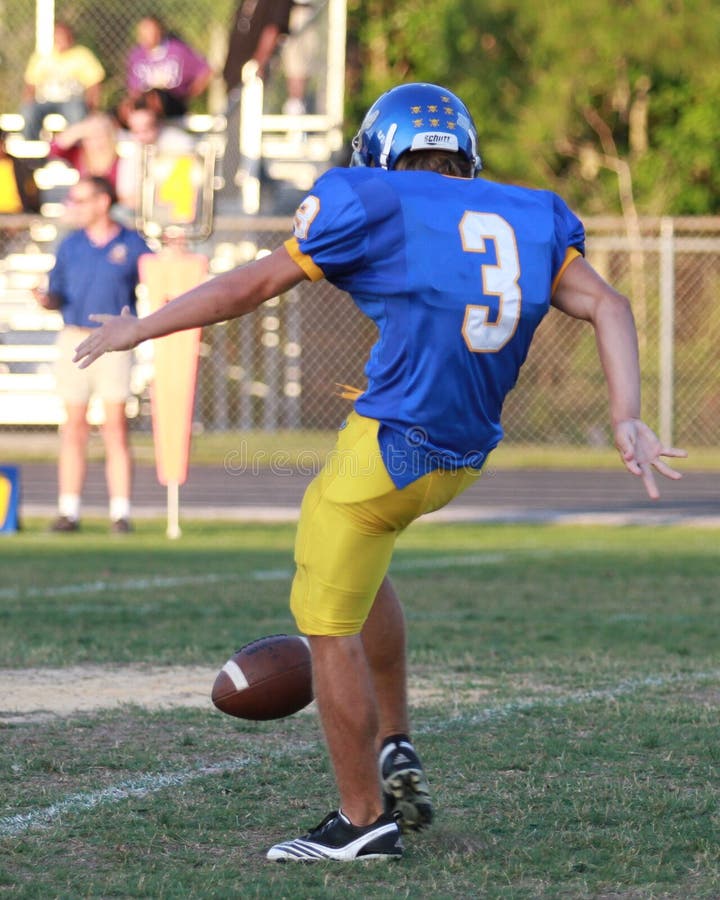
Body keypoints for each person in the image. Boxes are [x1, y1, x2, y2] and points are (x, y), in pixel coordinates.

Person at [74, 83, 687, 859]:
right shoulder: (532, 212)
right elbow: (611, 306)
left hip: (391, 443)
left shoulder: (368, 195)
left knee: (326, 621)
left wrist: (142, 327)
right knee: (363, 561)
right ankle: (395, 738)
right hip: (461, 454)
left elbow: (252, 285)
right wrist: (627, 414)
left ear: (380, 149)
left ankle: (363, 821)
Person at [36, 175, 151, 534]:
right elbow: (55, 295)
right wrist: (43, 298)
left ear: (102, 202)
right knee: (74, 426)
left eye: (80, 200)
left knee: (115, 426)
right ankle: (68, 510)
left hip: (114, 341)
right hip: (74, 337)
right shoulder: (70, 246)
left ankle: (121, 513)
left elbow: (158, 278)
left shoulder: (131, 243)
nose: (74, 207)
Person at [121, 16, 213, 125]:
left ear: (159, 30)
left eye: (150, 31)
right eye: (143, 32)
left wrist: (191, 93)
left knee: (158, 95)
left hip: (174, 104)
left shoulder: (177, 50)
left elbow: (205, 70)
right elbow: (134, 90)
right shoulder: (136, 56)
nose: (146, 36)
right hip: (147, 111)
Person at [21, 21, 105, 140]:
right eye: (58, 36)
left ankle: (75, 147)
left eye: (64, 36)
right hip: (45, 102)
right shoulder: (42, 56)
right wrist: (28, 102)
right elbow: (30, 85)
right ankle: (30, 149)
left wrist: (92, 107)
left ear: (71, 38)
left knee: (76, 111)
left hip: (73, 101)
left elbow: (94, 85)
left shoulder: (82, 55)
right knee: (29, 111)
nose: (61, 39)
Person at [115, 97, 196, 215]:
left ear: (159, 124)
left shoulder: (181, 143)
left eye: (147, 128)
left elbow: (189, 187)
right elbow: (124, 196)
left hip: (180, 211)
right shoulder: (132, 150)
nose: (142, 137)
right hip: (145, 212)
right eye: (136, 131)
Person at [48, 112, 119, 188]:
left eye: (101, 135)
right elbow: (54, 150)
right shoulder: (78, 154)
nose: (96, 142)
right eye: (90, 137)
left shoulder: (120, 158)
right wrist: (78, 130)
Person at [280, 0, 320, 115]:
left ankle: (299, 103)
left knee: (304, 65)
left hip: (309, 12)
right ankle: (295, 104)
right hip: (292, 11)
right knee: (294, 64)